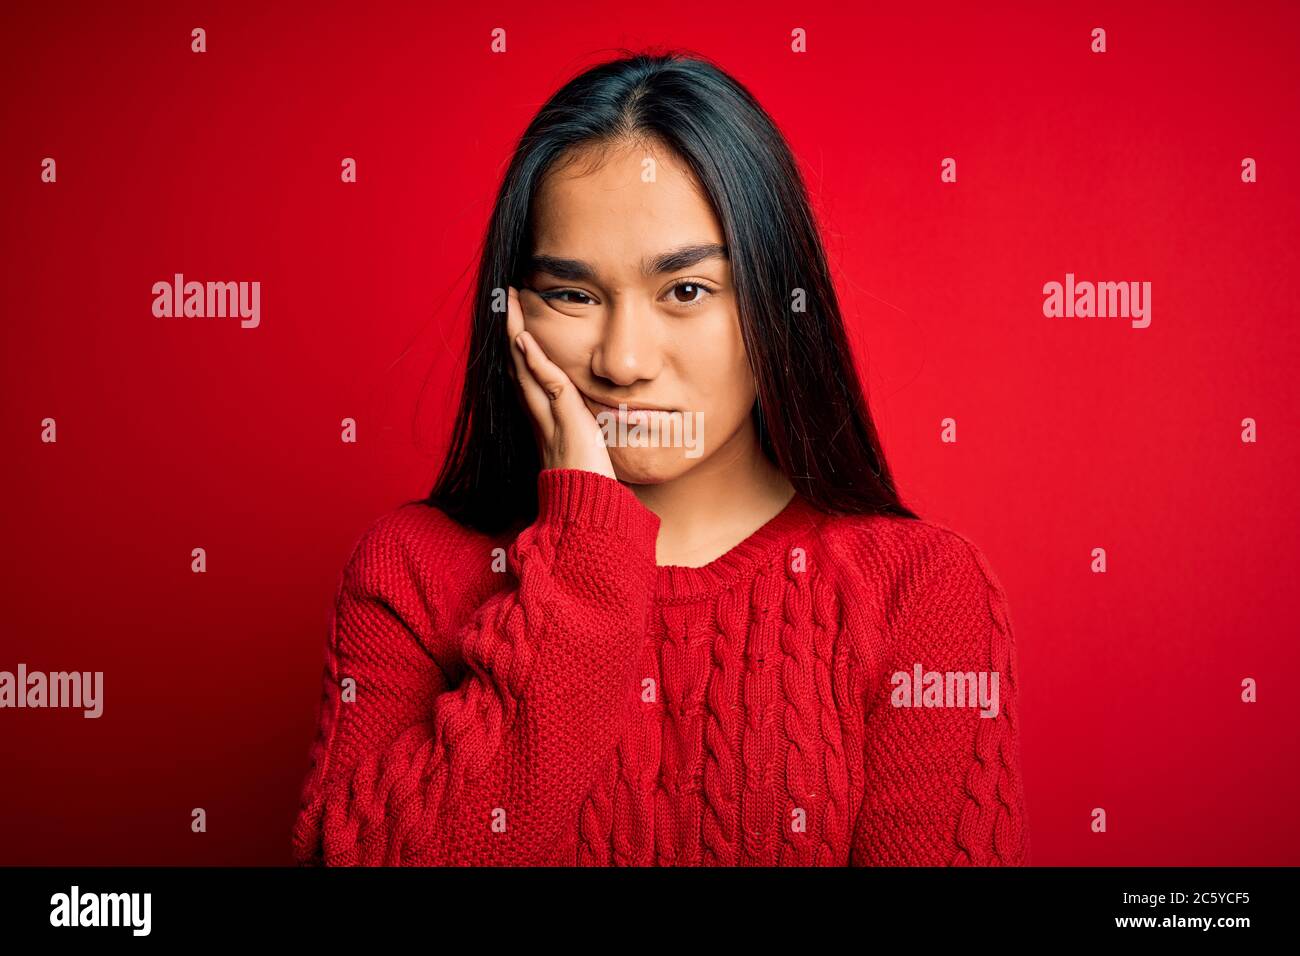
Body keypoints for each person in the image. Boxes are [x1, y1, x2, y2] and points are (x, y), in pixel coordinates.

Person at [291, 50, 1029, 866]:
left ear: (776, 304)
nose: (624, 360)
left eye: (686, 291)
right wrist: (588, 549)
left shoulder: (918, 590)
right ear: (514, 314)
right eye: (573, 295)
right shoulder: (413, 571)